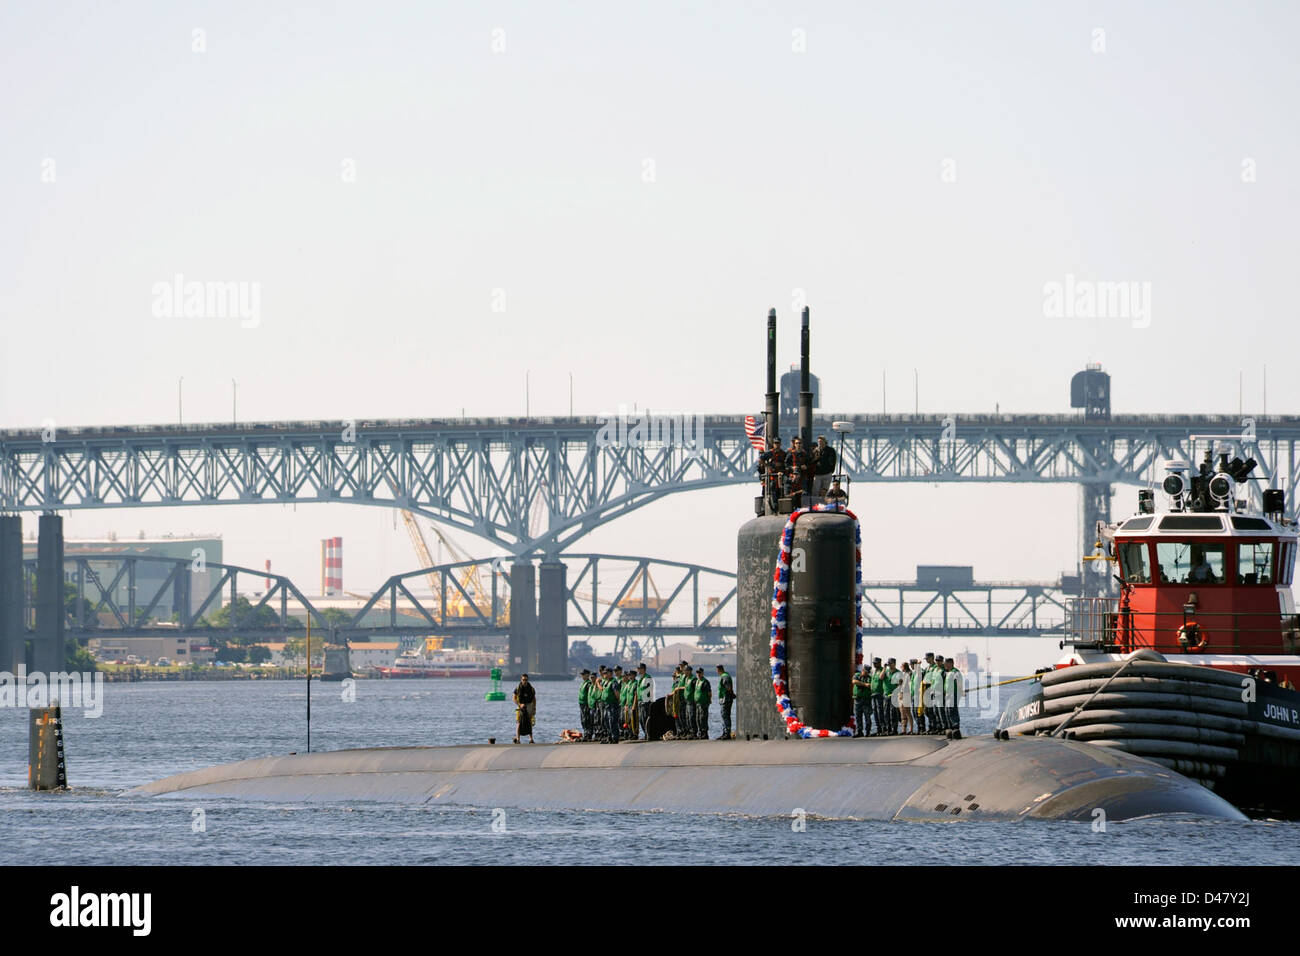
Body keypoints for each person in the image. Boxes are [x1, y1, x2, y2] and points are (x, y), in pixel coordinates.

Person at [512, 673, 536, 744]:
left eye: (526, 680)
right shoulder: (517, 688)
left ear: (527, 680)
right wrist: (520, 704)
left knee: (529, 722)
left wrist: (534, 707)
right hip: (521, 706)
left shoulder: (531, 688)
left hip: (529, 705)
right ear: (521, 679)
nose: (524, 681)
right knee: (519, 722)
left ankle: (531, 739)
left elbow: (534, 699)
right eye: (523, 680)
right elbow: (514, 698)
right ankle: (518, 739)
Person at [943, 658, 963, 737]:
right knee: (947, 710)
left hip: (953, 694)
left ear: (950, 663)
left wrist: (961, 691)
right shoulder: (948, 673)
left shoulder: (955, 672)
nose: (945, 665)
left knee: (952, 710)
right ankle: (950, 726)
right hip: (947, 694)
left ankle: (955, 727)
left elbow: (958, 682)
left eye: (946, 663)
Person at [851, 662, 872, 737]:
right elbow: (854, 681)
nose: (866, 673)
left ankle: (868, 732)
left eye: (867, 672)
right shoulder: (857, 675)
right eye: (865, 672)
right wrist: (865, 684)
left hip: (866, 699)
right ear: (863, 670)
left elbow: (871, 686)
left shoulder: (870, 678)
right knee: (858, 716)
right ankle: (859, 731)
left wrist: (868, 685)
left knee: (867, 716)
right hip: (857, 699)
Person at [602, 665, 621, 743]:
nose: (605, 675)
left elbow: (617, 693)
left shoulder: (613, 682)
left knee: (612, 721)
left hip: (613, 704)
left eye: (606, 673)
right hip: (606, 704)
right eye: (604, 673)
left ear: (610, 673)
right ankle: (609, 736)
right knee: (606, 721)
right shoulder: (606, 682)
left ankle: (615, 737)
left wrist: (619, 702)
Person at [715, 664, 735, 739]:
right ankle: (725, 732)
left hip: (725, 699)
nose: (716, 672)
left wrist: (731, 694)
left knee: (725, 716)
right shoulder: (725, 676)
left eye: (717, 670)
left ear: (719, 670)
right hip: (725, 699)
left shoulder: (725, 676)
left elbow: (728, 688)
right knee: (725, 715)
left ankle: (727, 733)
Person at [693, 667, 712, 739]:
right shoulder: (697, 681)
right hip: (697, 703)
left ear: (702, 673)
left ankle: (705, 733)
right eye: (697, 672)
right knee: (698, 718)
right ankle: (700, 732)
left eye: (700, 672)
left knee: (703, 718)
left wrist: (709, 700)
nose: (698, 674)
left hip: (703, 703)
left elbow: (709, 692)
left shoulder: (705, 682)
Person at [637, 663, 654, 740]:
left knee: (646, 719)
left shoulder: (648, 678)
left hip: (646, 702)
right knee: (641, 719)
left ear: (643, 669)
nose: (638, 670)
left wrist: (651, 701)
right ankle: (645, 734)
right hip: (640, 702)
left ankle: (649, 735)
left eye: (640, 668)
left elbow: (650, 690)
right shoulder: (640, 679)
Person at [869, 658, 886, 736]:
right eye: (873, 663)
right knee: (875, 712)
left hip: (879, 694)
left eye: (876, 663)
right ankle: (878, 729)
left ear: (880, 663)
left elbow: (881, 678)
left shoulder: (882, 670)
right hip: (873, 694)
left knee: (880, 712)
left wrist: (885, 668)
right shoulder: (874, 671)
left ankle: (883, 729)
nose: (874, 664)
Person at [898, 661, 914, 735]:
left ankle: (911, 729)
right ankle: (904, 729)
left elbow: (907, 685)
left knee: (907, 712)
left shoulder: (909, 673)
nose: (901, 667)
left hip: (906, 694)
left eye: (901, 666)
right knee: (902, 712)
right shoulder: (903, 674)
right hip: (902, 694)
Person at [578, 670, 594, 741]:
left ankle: (588, 734)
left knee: (587, 719)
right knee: (583, 719)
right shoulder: (583, 683)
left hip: (586, 704)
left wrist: (589, 704)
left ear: (587, 675)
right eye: (582, 674)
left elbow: (589, 695)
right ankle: (586, 733)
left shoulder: (588, 683)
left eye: (583, 674)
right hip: (582, 704)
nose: (582, 676)